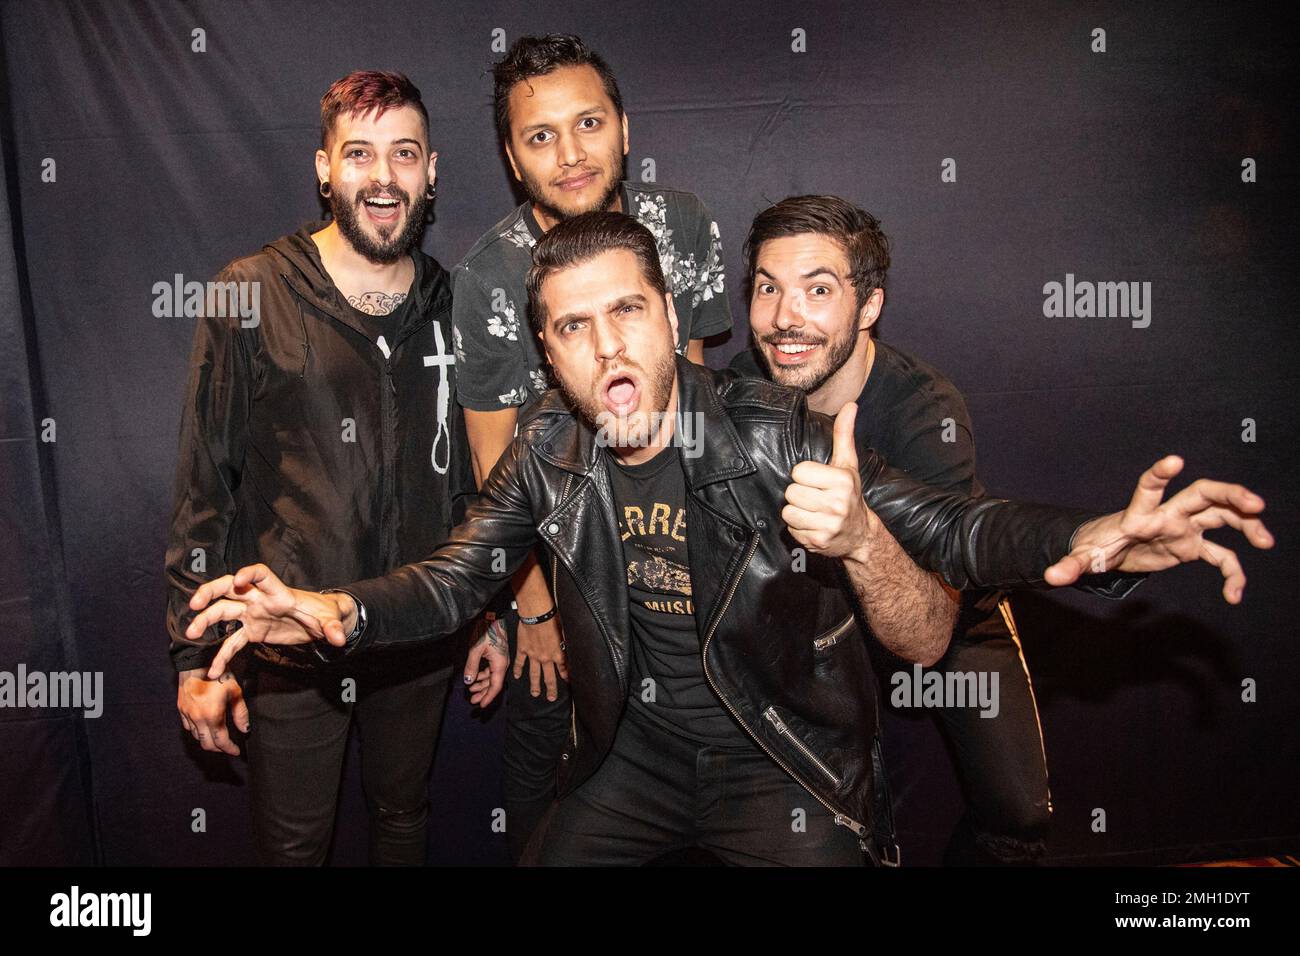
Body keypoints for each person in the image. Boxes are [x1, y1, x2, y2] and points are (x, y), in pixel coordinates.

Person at [182, 212, 1273, 867]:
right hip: (628, 760)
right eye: (572, 327)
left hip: (777, 760)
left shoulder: (767, 431)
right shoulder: (549, 450)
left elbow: (954, 524)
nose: (606, 346)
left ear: (670, 318)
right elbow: (454, 577)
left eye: (626, 312)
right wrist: (334, 609)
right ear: (548, 355)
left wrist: (1096, 536)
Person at [164, 70, 502, 865]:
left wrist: (487, 612)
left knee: (403, 817)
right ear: (325, 169)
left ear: (431, 171)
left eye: (404, 153)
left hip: (417, 634)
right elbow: (203, 488)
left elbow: (470, 482)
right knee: (293, 849)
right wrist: (194, 655)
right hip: (291, 642)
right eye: (359, 153)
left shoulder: (455, 306)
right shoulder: (249, 293)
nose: (383, 176)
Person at [732, 194, 1086, 864]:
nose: (784, 317)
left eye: (817, 290)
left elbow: (930, 622)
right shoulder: (740, 392)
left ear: (869, 307)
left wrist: (864, 537)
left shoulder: (925, 411)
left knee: (1018, 815)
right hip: (807, 602)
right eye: (767, 288)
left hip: (940, 599)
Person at [452, 33, 732, 859]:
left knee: (702, 770)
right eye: (541, 136)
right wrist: (534, 610)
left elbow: (692, 404)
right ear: (512, 158)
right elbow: (493, 467)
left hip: (679, 560)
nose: (570, 154)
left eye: (589, 123)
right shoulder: (486, 278)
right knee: (548, 779)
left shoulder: (681, 225)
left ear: (624, 127)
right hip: (562, 561)